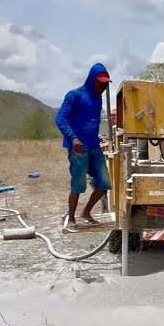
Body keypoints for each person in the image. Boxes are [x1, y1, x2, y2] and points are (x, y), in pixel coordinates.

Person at [55, 63, 112, 232]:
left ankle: (86, 213)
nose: (102, 86)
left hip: (94, 146)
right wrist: (74, 138)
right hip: (78, 148)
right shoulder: (75, 95)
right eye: (99, 82)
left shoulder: (98, 98)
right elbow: (60, 118)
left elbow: (90, 122)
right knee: (78, 185)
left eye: (105, 83)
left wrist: (96, 135)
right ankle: (72, 218)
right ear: (91, 79)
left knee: (104, 184)